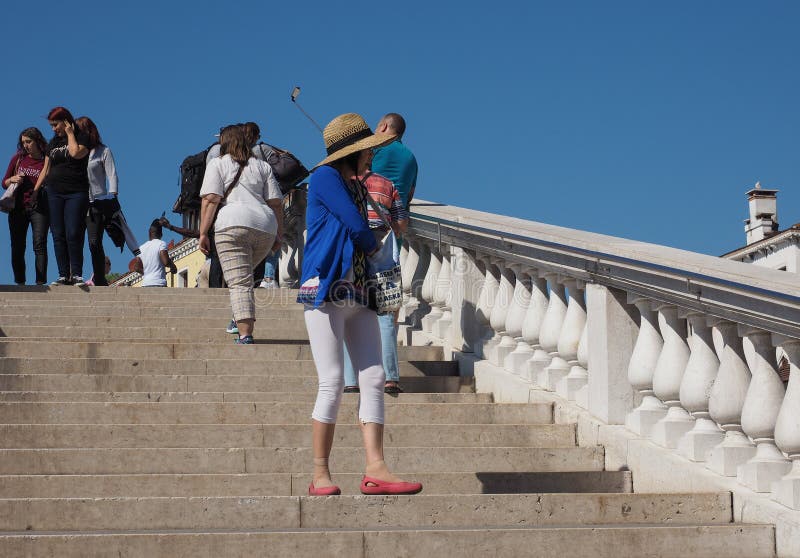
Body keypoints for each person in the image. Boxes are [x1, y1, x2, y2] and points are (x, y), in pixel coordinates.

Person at [298, 112, 422, 497]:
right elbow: (354, 224)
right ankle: (320, 472)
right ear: (349, 154)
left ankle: (376, 467)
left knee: (371, 376)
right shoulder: (324, 178)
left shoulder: (357, 183)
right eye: (365, 152)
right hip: (327, 287)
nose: (371, 157)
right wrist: (377, 248)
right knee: (333, 380)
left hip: (358, 288)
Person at [198, 125, 283, 345]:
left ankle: (245, 334)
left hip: (232, 224)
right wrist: (278, 235)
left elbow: (210, 199)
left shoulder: (218, 163)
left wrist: (203, 233)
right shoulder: (263, 166)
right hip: (265, 226)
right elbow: (276, 203)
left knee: (239, 283)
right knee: (243, 278)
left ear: (223, 143)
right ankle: (238, 317)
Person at [343, 162, 408, 394]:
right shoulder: (387, 183)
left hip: (353, 247)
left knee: (348, 310)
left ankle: (351, 380)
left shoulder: (342, 182)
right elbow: (401, 224)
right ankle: (390, 378)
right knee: (385, 311)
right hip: (381, 249)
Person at [77, 116, 139, 287]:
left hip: (99, 202)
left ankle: (99, 277)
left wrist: (112, 196)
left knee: (94, 241)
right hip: (79, 201)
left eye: (80, 130)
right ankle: (74, 275)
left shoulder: (103, 151)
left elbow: (112, 174)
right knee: (75, 239)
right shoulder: (76, 152)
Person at [33, 107, 91, 286]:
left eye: (55, 125)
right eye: (51, 125)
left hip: (76, 192)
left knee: (73, 232)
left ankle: (77, 274)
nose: (53, 129)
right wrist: (35, 191)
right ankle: (63, 274)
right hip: (54, 193)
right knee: (58, 233)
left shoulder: (83, 137)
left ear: (66, 121)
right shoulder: (52, 143)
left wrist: (70, 133)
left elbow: (75, 153)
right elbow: (46, 168)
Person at [2, 128, 49, 285]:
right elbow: (4, 182)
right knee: (17, 246)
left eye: (28, 142)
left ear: (37, 141)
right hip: (18, 208)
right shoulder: (18, 159)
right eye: (23, 142)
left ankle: (40, 282)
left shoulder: (46, 160)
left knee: (40, 244)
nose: (26, 145)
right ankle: (20, 282)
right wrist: (13, 179)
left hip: (39, 207)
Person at [372, 113, 418, 210]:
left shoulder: (376, 147)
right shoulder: (412, 159)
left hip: (372, 211)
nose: (375, 131)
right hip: (397, 218)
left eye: (376, 127)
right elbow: (409, 196)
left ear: (383, 127)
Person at [133, 220, 176, 287]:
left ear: (149, 232)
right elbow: (166, 262)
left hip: (145, 284)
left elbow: (136, 267)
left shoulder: (141, 248)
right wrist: (173, 266)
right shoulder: (161, 243)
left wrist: (149, 273)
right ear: (161, 234)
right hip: (159, 283)